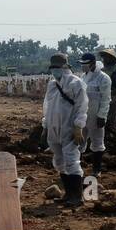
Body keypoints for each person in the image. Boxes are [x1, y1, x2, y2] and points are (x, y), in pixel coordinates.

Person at [42, 53, 88, 207]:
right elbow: (47, 107)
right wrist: (45, 126)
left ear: (64, 66)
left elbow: (82, 107)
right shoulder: (52, 84)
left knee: (72, 160)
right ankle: (68, 194)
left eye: (56, 67)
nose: (54, 70)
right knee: (60, 161)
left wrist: (78, 127)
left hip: (70, 128)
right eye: (52, 68)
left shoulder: (76, 83)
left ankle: (77, 196)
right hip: (54, 129)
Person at [79, 52, 111, 175]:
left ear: (92, 63)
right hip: (82, 115)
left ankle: (96, 169)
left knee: (97, 142)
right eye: (81, 64)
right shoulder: (82, 77)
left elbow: (106, 99)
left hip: (95, 115)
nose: (83, 66)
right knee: (79, 141)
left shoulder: (103, 78)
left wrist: (102, 116)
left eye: (85, 64)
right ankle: (78, 167)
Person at [99, 49, 116, 142]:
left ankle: (112, 132)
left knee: (113, 113)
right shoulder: (101, 71)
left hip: (115, 94)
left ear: (111, 58)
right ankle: (104, 134)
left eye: (107, 57)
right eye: (104, 57)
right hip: (103, 96)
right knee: (104, 114)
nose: (105, 59)